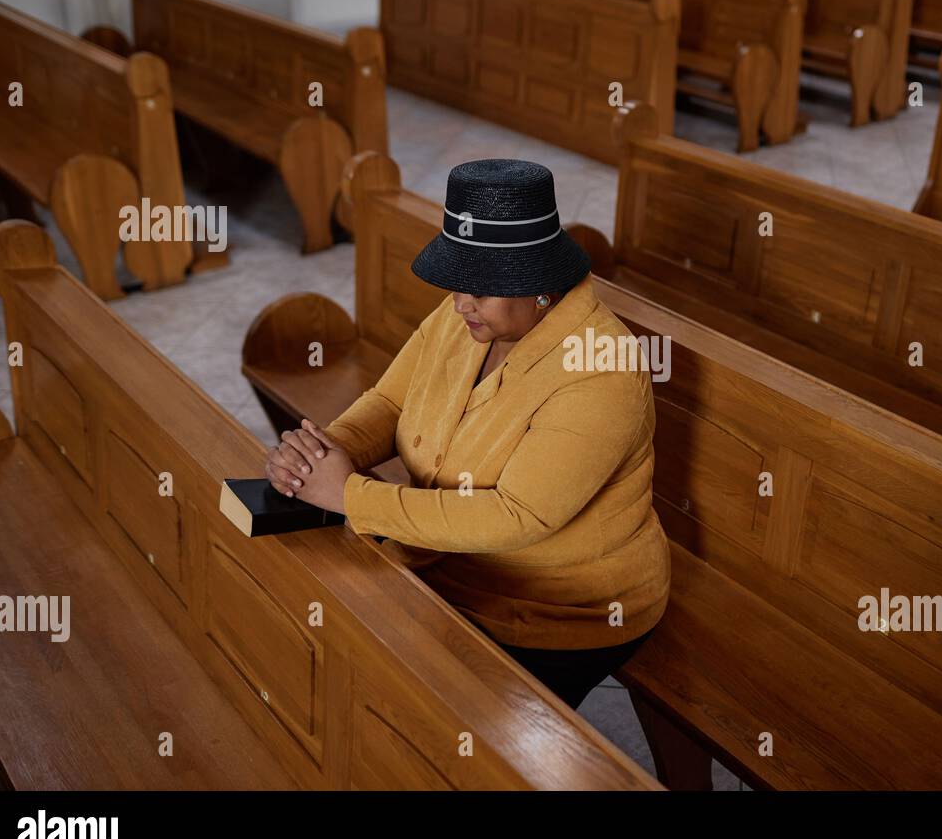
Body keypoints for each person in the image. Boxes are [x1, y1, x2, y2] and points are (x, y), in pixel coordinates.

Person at [265, 158, 670, 709]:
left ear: (539, 283)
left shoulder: (604, 365)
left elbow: (518, 516)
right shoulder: (467, 317)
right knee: (313, 637)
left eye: (481, 287)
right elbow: (390, 400)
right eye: (458, 282)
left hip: (559, 607)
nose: (460, 302)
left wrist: (350, 496)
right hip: (444, 560)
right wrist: (321, 454)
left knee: (422, 714)